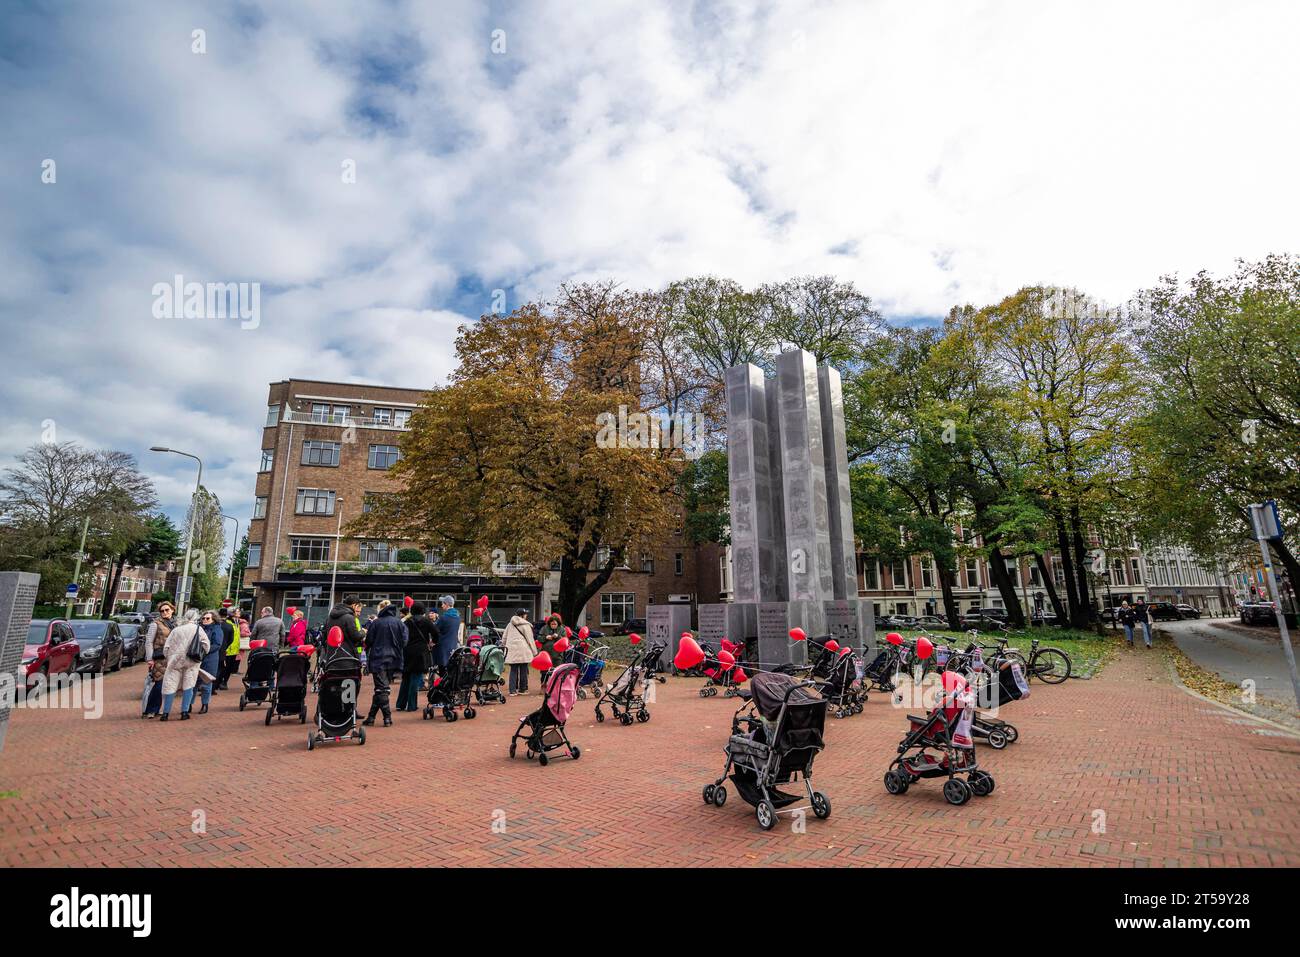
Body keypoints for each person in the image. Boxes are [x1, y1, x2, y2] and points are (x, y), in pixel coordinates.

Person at [363, 601, 407, 726]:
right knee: (381, 689)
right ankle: (371, 717)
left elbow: (369, 640)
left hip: (378, 658)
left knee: (381, 689)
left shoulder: (376, 623)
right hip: (394, 659)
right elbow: (405, 640)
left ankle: (387, 717)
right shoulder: (399, 623)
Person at [160, 610, 209, 721]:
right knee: (189, 686)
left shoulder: (176, 630)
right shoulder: (198, 629)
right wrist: (200, 655)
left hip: (175, 661)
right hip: (192, 661)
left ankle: (165, 713)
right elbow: (206, 645)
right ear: (196, 618)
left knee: (170, 686)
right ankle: (184, 712)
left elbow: (166, 647)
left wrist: (169, 657)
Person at [397, 601, 434, 711]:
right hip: (420, 652)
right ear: (423, 610)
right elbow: (436, 633)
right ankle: (412, 705)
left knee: (406, 677)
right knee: (416, 677)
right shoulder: (426, 621)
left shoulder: (406, 621)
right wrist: (433, 642)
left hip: (407, 651)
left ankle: (400, 703)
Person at [140, 602, 174, 718]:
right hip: (159, 658)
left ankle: (157, 708)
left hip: (170, 658)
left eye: (167, 610)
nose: (165, 612)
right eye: (162, 611)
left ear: (172, 610)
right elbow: (149, 641)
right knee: (159, 683)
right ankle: (150, 709)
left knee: (166, 685)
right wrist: (150, 658)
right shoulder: (156, 624)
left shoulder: (174, 624)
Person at [196, 610, 224, 713]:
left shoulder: (217, 629)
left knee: (206, 683)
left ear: (213, 619)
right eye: (203, 618)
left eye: (207, 618)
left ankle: (204, 704)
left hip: (210, 659)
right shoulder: (199, 628)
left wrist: (204, 650)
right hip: (197, 658)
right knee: (194, 682)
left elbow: (217, 644)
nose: (205, 620)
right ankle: (189, 704)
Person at [503, 608, 535, 696]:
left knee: (513, 670)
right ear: (522, 615)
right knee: (523, 669)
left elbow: (504, 637)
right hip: (523, 650)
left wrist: (504, 647)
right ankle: (522, 689)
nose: (526, 615)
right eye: (525, 614)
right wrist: (534, 651)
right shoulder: (526, 625)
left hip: (512, 650)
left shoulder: (510, 625)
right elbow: (530, 639)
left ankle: (512, 690)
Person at [432, 595, 461, 668]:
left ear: (447, 604)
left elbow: (434, 630)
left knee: (442, 673)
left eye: (443, 604)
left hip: (442, 649)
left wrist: (432, 642)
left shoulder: (444, 618)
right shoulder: (458, 617)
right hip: (453, 647)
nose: (441, 606)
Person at [217, 608, 239, 690]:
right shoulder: (227, 623)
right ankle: (219, 682)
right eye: (237, 611)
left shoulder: (237, 622)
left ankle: (224, 682)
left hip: (234, 649)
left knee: (229, 668)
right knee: (223, 667)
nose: (239, 612)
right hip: (227, 649)